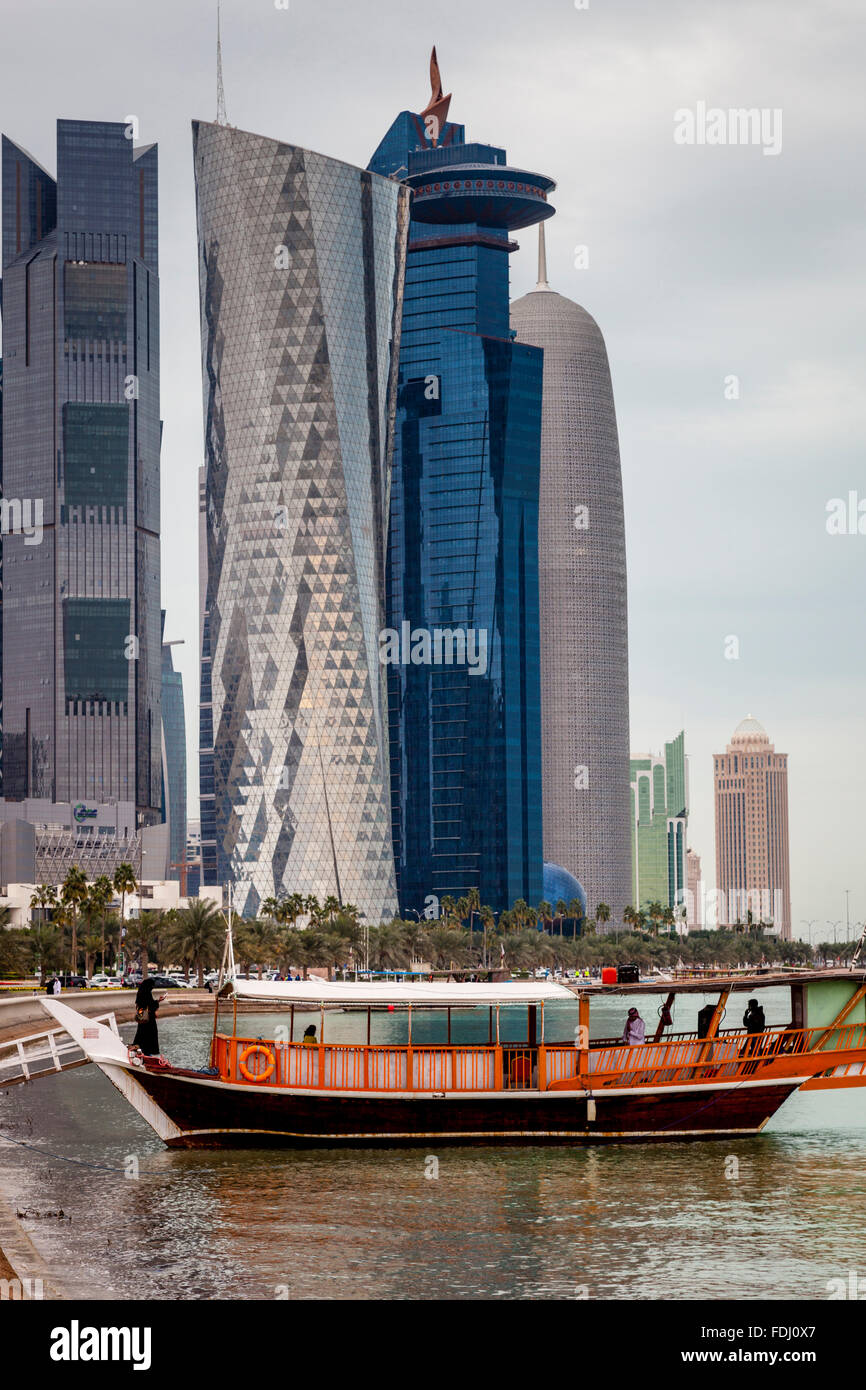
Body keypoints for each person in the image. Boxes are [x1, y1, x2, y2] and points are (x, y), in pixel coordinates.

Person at [132, 978, 164, 1056]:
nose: (152, 987)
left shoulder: (140, 992)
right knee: (150, 1035)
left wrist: (156, 1002)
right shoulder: (147, 993)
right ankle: (147, 1053)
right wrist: (158, 1001)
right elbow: (150, 1005)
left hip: (141, 1017)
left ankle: (139, 1050)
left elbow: (140, 1004)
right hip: (148, 1019)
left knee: (141, 1034)